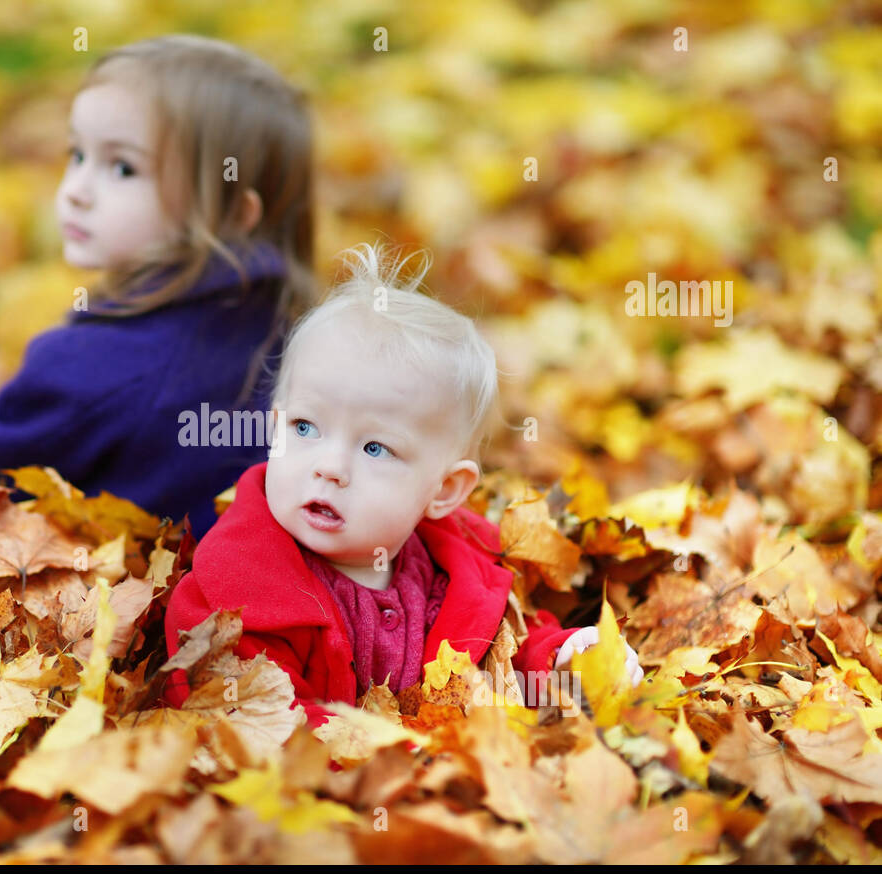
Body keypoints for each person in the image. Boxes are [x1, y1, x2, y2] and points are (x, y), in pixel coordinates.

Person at [162, 243, 642, 728]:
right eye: (305, 427)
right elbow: (253, 719)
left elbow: (509, 647)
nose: (330, 467)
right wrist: (400, 757)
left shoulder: (457, 567)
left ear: (444, 490)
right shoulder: (233, 592)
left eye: (375, 448)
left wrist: (563, 658)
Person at [0, 34, 315, 555]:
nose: (77, 188)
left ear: (233, 214)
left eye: (122, 167)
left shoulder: (99, 361)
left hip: (84, 587)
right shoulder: (288, 336)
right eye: (77, 154)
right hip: (189, 581)